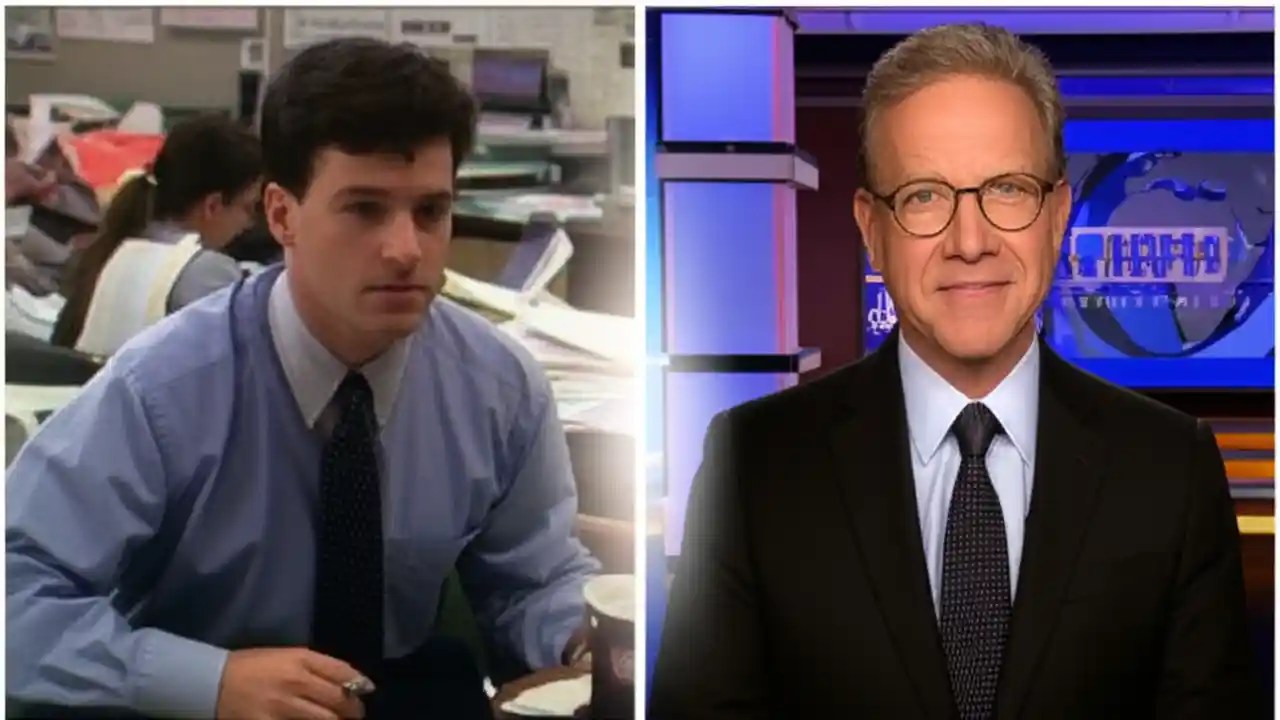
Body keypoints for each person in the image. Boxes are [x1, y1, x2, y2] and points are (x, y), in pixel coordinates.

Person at [650, 23, 1256, 719]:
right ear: (871, 228)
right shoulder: (750, 465)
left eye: (1006, 189)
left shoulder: (1172, 470)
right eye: (925, 196)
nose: (971, 243)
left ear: (1057, 215)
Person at [8, 37, 598, 720]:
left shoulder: (500, 386)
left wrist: (583, 637)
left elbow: (530, 582)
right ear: (282, 215)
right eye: (364, 209)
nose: (407, 248)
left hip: (395, 695)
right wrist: (208, 681)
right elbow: (15, 599)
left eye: (431, 212)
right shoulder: (162, 390)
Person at [49, 114, 262, 355]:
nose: (249, 223)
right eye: (248, 207)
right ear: (212, 206)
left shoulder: (113, 246)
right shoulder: (205, 272)